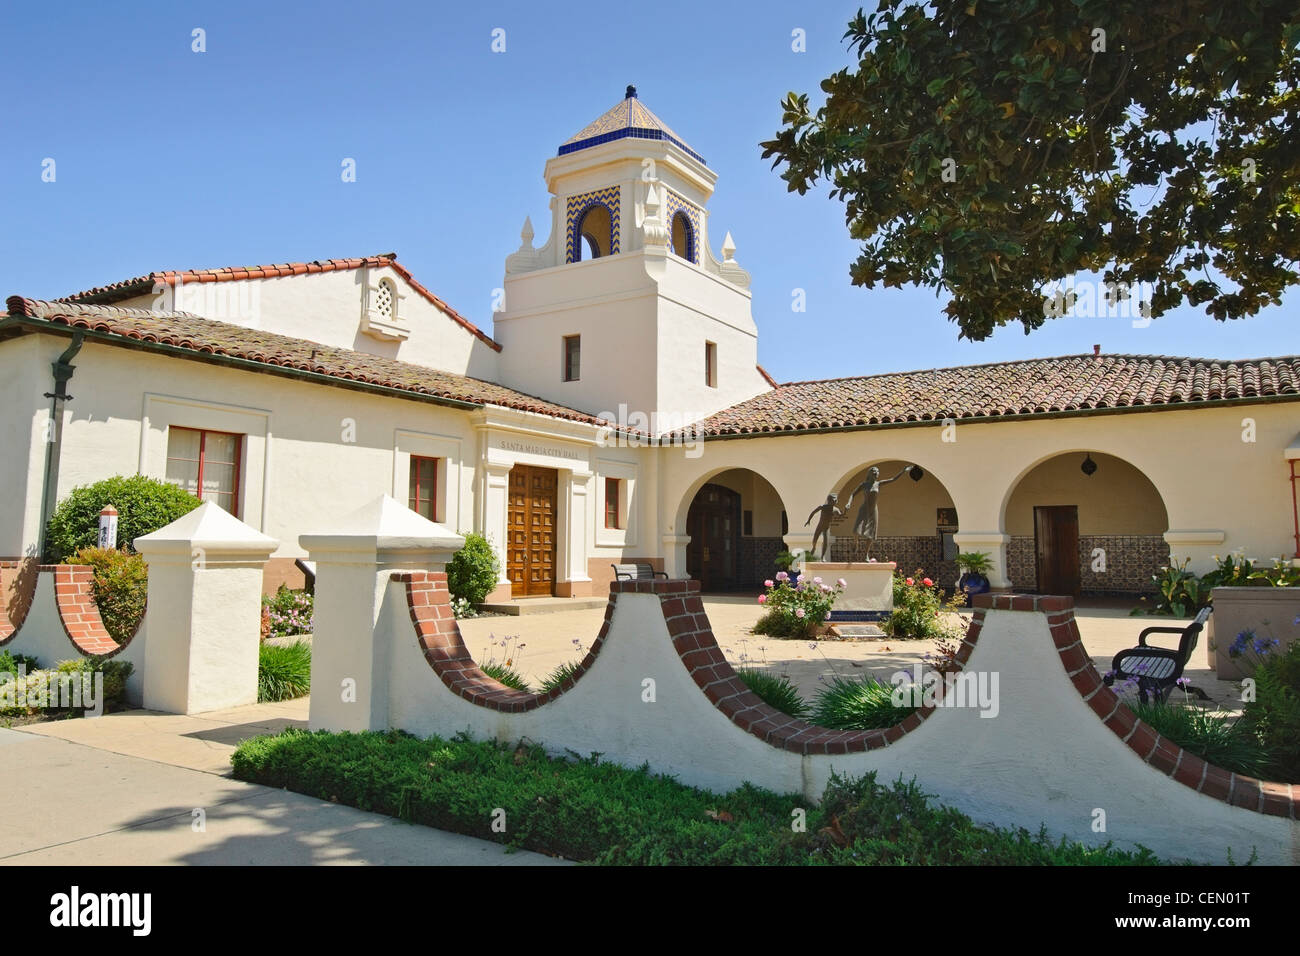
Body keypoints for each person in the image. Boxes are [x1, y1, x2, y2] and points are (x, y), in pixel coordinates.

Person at [842, 465, 916, 560]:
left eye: (877, 472)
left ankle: (866, 555)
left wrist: (903, 471)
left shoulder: (878, 484)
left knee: (871, 534)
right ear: (870, 473)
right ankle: (855, 543)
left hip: (873, 510)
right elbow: (853, 494)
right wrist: (848, 503)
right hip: (864, 509)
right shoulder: (863, 485)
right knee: (856, 530)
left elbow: (893, 479)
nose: (876, 473)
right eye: (874, 471)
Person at [804, 493, 842, 562]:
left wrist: (845, 510)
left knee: (825, 541)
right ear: (829, 500)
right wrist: (808, 520)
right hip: (820, 526)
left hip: (826, 527)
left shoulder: (836, 509)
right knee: (814, 540)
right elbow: (813, 512)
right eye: (832, 500)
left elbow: (841, 516)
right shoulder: (823, 507)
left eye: (835, 501)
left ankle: (823, 556)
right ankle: (814, 548)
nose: (834, 502)